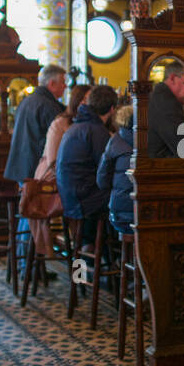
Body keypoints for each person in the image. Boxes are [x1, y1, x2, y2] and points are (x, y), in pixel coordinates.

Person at [28, 83, 90, 259]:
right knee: (80, 201)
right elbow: (54, 160)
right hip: (51, 176)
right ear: (76, 101)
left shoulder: (91, 125)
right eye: (84, 99)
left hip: (75, 178)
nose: (87, 104)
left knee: (86, 202)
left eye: (90, 100)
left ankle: (85, 251)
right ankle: (81, 251)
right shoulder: (60, 123)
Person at [56, 85, 116, 246]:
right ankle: (115, 256)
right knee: (124, 199)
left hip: (71, 196)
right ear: (112, 109)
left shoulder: (77, 125)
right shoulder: (96, 130)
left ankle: (102, 255)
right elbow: (106, 170)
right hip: (85, 200)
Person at [4, 64, 66, 182]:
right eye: (62, 82)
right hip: (35, 167)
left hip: (21, 165)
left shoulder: (26, 101)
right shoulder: (49, 106)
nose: (65, 86)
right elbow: (55, 139)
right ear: (52, 84)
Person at [96, 102, 135, 235]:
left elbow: (102, 180)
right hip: (147, 214)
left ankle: (122, 255)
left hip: (120, 217)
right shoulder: (151, 141)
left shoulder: (114, 142)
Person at [147, 61, 184, 158]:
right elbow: (183, 148)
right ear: (173, 78)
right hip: (158, 169)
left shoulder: (159, 95)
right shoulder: (166, 102)